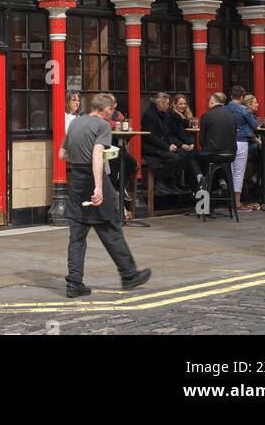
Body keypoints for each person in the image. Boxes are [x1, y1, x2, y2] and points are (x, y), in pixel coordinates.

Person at [59, 91, 151, 298]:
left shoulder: (75, 123)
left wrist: (79, 155)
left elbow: (62, 154)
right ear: (106, 109)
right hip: (94, 180)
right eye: (111, 109)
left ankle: (74, 283)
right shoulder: (102, 126)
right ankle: (129, 275)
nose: (113, 112)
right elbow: (97, 155)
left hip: (76, 181)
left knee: (77, 236)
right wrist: (98, 188)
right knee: (111, 228)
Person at [143, 91, 202, 193]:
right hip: (152, 148)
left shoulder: (164, 114)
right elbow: (151, 137)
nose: (168, 106)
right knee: (174, 157)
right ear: (159, 103)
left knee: (184, 155)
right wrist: (168, 147)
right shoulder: (149, 116)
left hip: (164, 145)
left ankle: (171, 183)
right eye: (166, 104)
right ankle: (161, 180)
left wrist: (172, 144)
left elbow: (169, 133)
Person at [197, 92, 238, 212]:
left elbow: (202, 140)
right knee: (213, 166)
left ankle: (201, 181)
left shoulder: (206, 115)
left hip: (213, 154)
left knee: (192, 157)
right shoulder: (231, 115)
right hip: (230, 155)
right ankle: (219, 180)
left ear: (212, 101)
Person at [225, 85, 261, 211]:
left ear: (231, 96)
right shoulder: (243, 110)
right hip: (241, 142)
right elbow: (255, 125)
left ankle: (228, 200)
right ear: (241, 97)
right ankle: (237, 202)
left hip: (227, 142)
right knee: (239, 173)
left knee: (230, 170)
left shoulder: (224, 109)